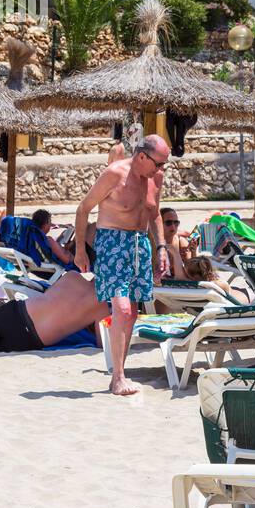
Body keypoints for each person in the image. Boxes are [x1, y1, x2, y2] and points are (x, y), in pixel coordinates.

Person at [74, 135, 171, 396]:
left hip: (140, 243)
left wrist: (161, 247)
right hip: (112, 241)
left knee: (133, 312)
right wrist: (80, 250)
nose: (161, 170)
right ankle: (118, 378)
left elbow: (154, 214)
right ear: (142, 157)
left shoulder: (155, 179)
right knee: (122, 307)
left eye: (164, 165)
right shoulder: (114, 174)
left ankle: (120, 371)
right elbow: (83, 209)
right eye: (158, 164)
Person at [159, 207, 196, 279]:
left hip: (179, 283)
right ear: (159, 223)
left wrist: (193, 252)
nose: (173, 226)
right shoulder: (152, 242)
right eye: (168, 223)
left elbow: (193, 271)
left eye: (176, 223)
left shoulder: (181, 242)